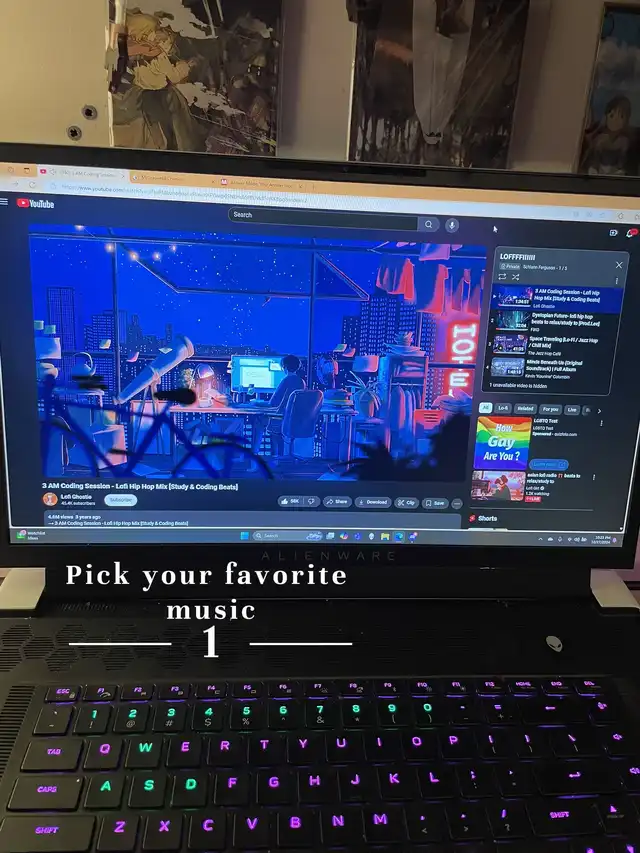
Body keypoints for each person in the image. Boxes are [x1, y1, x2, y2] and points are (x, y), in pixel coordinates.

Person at [251, 355, 306, 459]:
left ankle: (254, 454)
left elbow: (272, 404)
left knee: (258, 420)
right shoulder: (302, 382)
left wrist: (256, 403)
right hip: (294, 420)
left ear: (284, 367)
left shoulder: (286, 380)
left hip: (281, 419)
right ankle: (278, 456)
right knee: (276, 429)